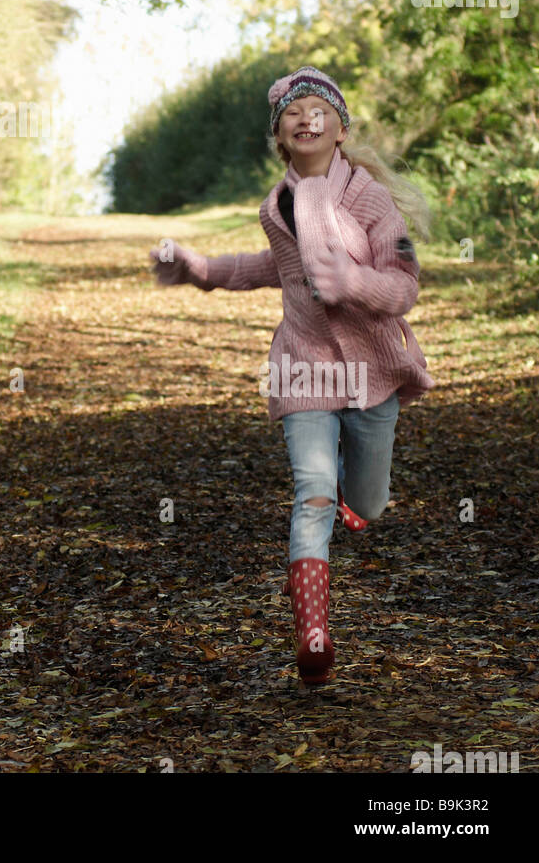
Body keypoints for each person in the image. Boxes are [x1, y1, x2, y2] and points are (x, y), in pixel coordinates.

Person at [150, 65, 434, 685]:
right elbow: (268, 266)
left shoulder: (370, 200)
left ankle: (350, 505)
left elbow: (405, 283)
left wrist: (353, 282)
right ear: (280, 136)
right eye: (292, 112)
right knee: (311, 490)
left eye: (319, 109)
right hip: (304, 369)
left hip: (373, 374)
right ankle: (313, 633)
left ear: (339, 128)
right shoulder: (277, 204)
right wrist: (199, 269)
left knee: (369, 504)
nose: (307, 117)